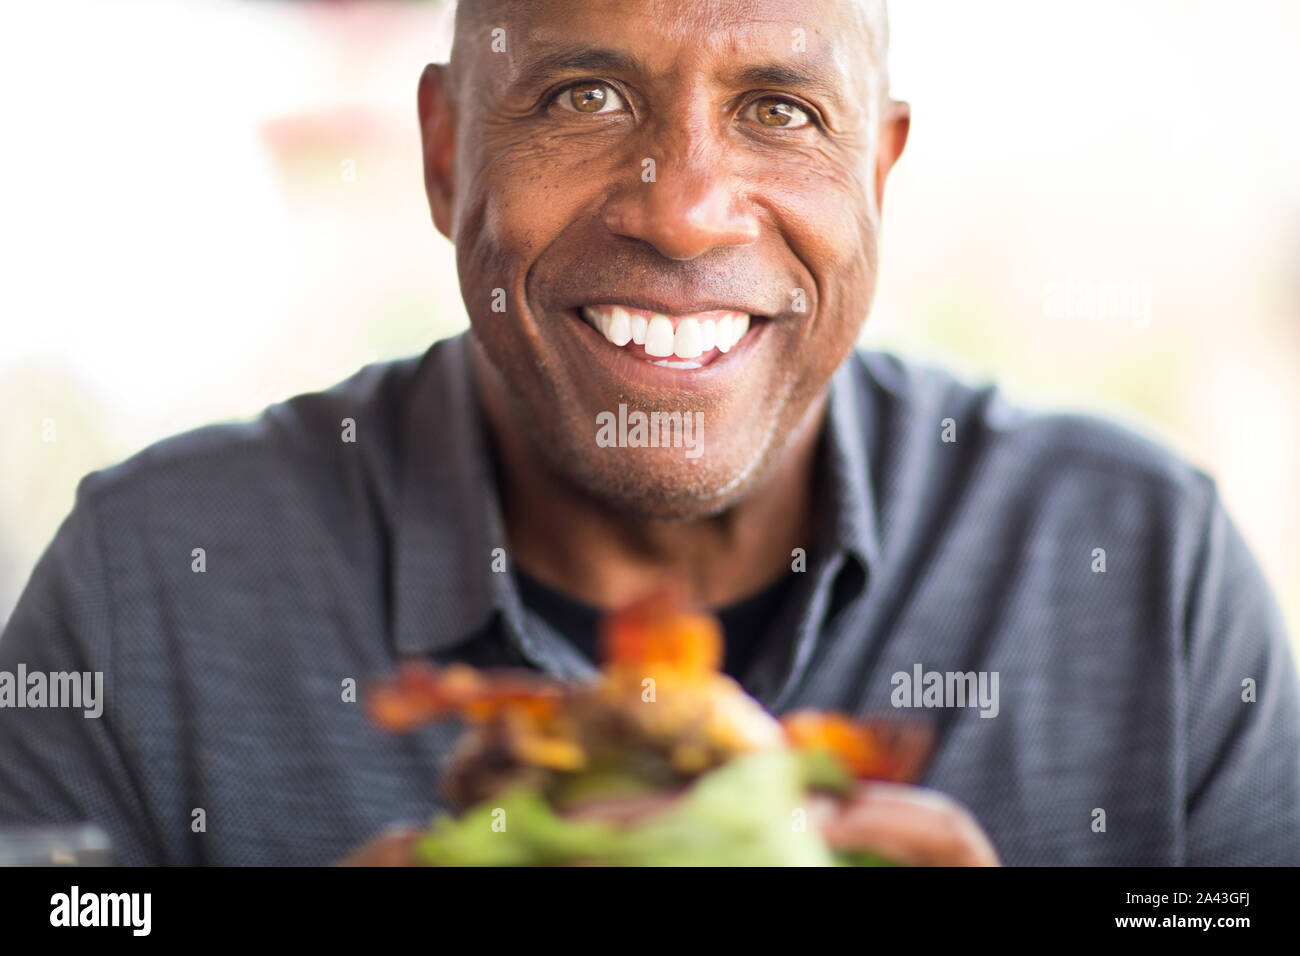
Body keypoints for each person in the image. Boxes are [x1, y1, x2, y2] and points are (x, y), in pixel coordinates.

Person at [1, 0, 1295, 866]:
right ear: (447, 153)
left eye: (780, 110)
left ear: (880, 176)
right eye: (582, 98)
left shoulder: (1145, 571)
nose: (681, 212)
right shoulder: (146, 588)